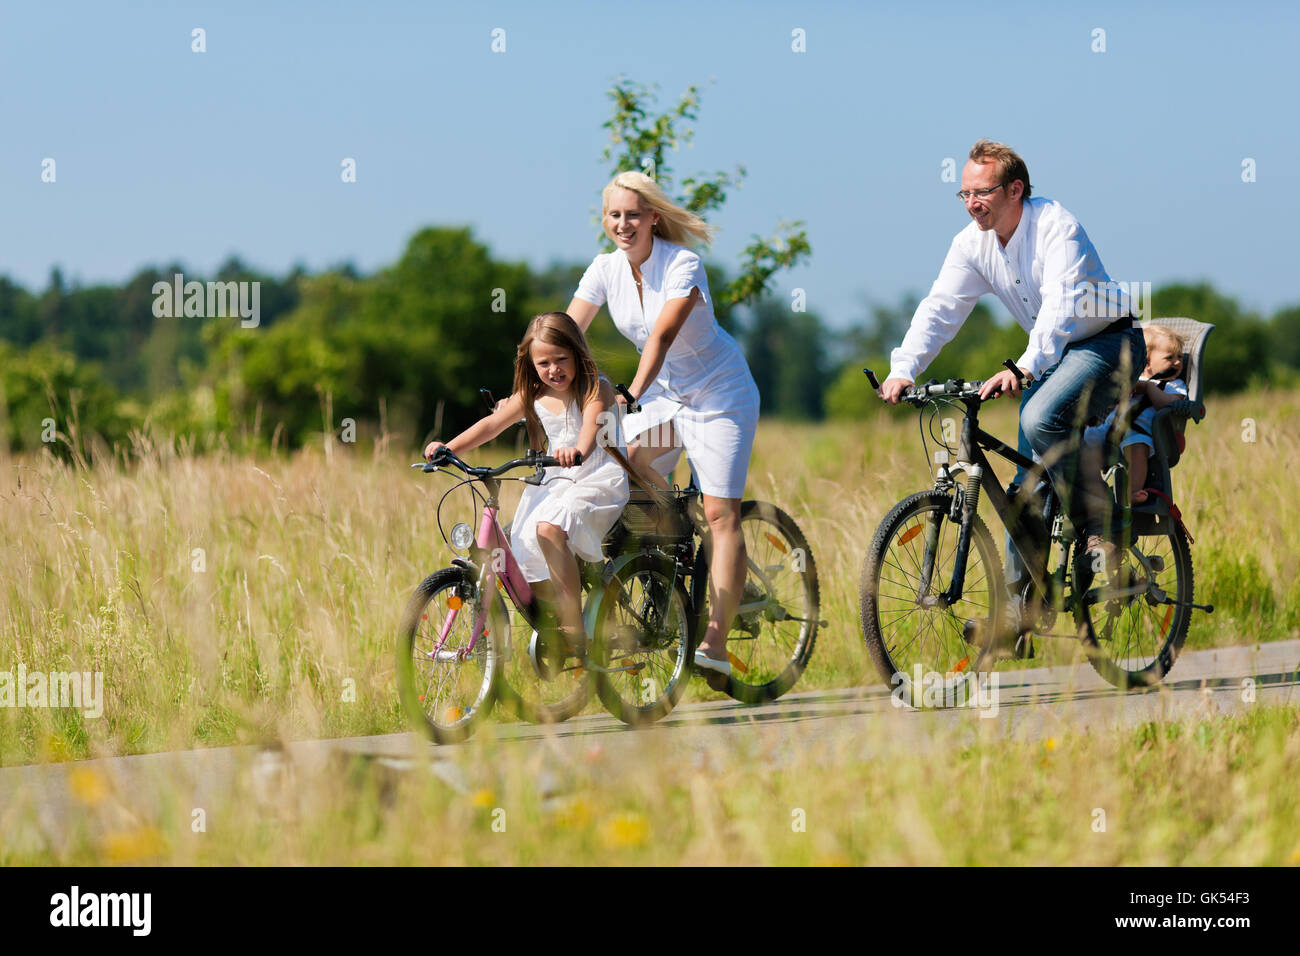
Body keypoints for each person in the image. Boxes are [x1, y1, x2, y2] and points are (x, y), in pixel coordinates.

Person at [880, 139, 1145, 640]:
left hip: (1110, 345)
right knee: (1026, 486)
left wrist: (1025, 368)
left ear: (1015, 189)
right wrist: (904, 368)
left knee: (1036, 418)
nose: (972, 203)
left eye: (982, 192)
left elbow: (1062, 308)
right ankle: (1021, 608)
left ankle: (1100, 527)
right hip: (1052, 357)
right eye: (963, 194)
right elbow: (941, 309)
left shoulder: (1056, 226)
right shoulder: (971, 245)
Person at [564, 171, 761, 679]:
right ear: (604, 220)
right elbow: (564, 333)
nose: (623, 224)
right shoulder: (605, 269)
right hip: (667, 397)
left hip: (719, 394)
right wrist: (530, 388)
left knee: (720, 513)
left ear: (654, 217)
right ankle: (675, 550)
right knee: (623, 460)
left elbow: (663, 336)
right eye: (614, 215)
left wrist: (628, 391)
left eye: (633, 214)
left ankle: (714, 644)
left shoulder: (683, 264)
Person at [423, 312, 629, 653]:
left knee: (548, 529)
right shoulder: (533, 393)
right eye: (543, 363)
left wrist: (577, 449)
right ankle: (557, 615)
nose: (553, 370)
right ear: (531, 365)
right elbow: (492, 425)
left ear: (577, 353)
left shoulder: (597, 387)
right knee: (522, 542)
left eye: (561, 359)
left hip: (595, 476)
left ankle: (574, 627)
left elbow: (592, 426)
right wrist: (448, 447)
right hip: (556, 478)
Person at [1079, 324, 1188, 564]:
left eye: (1180, 357)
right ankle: (1094, 489)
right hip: (1112, 427)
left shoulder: (1174, 384)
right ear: (1146, 362)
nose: (1178, 363)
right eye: (1170, 357)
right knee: (1085, 446)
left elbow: (1166, 404)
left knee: (1136, 450)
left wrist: (1148, 388)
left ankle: (1131, 492)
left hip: (1142, 431)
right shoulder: (1133, 378)